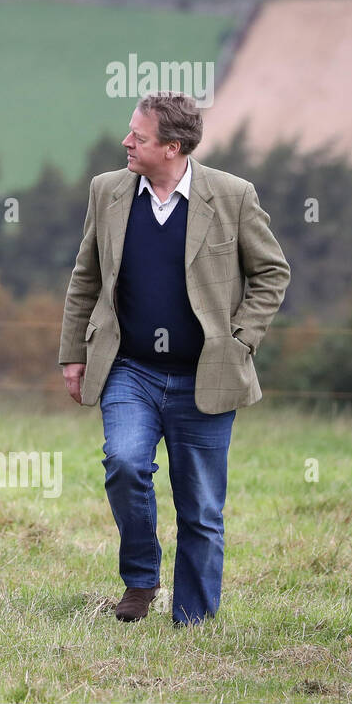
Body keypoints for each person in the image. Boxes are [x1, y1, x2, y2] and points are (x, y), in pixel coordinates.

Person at [59, 92, 289, 625]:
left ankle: (193, 620)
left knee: (202, 510)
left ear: (173, 147)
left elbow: (272, 273)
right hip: (130, 369)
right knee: (124, 463)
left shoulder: (232, 196)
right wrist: (72, 354)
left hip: (205, 375)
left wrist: (240, 339)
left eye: (138, 137)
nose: (126, 142)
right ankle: (141, 579)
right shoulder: (107, 191)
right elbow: (86, 276)